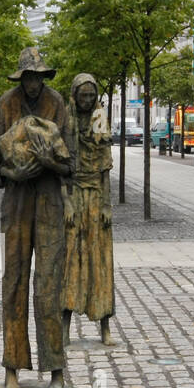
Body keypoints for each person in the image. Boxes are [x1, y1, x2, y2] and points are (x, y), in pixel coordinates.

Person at [0, 47, 71, 388]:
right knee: (14, 280)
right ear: (21, 78)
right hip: (18, 200)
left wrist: (48, 163)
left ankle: (55, 369)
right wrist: (16, 172)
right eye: (28, 78)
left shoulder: (58, 103)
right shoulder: (6, 104)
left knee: (49, 284)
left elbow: (71, 165)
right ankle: (12, 366)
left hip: (50, 200)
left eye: (38, 77)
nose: (33, 84)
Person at [61, 73, 115, 346]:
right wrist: (67, 201)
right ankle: (65, 326)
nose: (87, 100)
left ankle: (105, 326)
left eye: (91, 95)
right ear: (74, 95)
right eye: (82, 95)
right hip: (74, 195)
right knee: (71, 259)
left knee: (100, 260)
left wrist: (107, 203)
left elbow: (105, 163)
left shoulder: (99, 118)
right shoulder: (66, 119)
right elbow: (60, 165)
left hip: (96, 197)